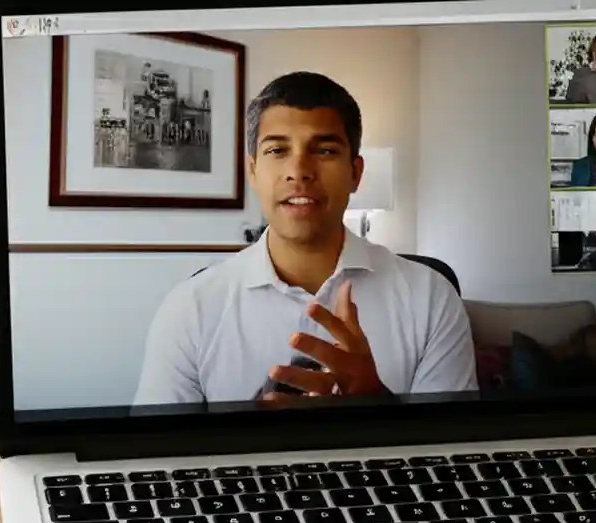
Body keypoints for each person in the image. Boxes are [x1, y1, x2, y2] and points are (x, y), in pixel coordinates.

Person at [132, 72, 477, 406]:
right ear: (252, 170)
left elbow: (458, 454)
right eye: (277, 151)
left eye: (324, 150)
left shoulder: (431, 299)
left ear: (355, 173)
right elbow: (154, 454)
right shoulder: (190, 309)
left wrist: (376, 403)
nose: (299, 171)